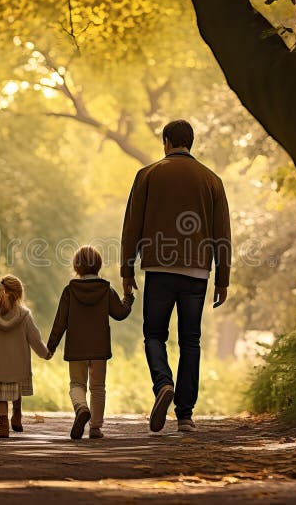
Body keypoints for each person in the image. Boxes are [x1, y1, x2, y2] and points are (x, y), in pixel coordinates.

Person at [120, 119, 232, 433]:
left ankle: (162, 384)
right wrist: (223, 278)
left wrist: (126, 270)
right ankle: (185, 415)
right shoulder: (212, 180)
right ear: (190, 143)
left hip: (157, 268)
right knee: (190, 341)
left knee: (154, 335)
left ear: (167, 141)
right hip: (196, 272)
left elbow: (132, 227)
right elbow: (222, 233)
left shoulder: (147, 175)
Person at [48, 246, 135, 439]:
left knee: (77, 384)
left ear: (76, 266)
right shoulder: (106, 289)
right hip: (99, 349)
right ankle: (95, 427)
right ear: (98, 265)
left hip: (76, 348)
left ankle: (81, 408)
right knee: (98, 388)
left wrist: (51, 346)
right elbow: (120, 313)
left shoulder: (69, 290)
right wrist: (128, 298)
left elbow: (60, 322)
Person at [0, 274, 51, 438]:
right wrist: (45, 354)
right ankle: (17, 415)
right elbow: (35, 339)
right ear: (19, 294)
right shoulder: (24, 316)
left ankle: (3, 427)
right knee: (15, 388)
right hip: (18, 366)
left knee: (1, 397)